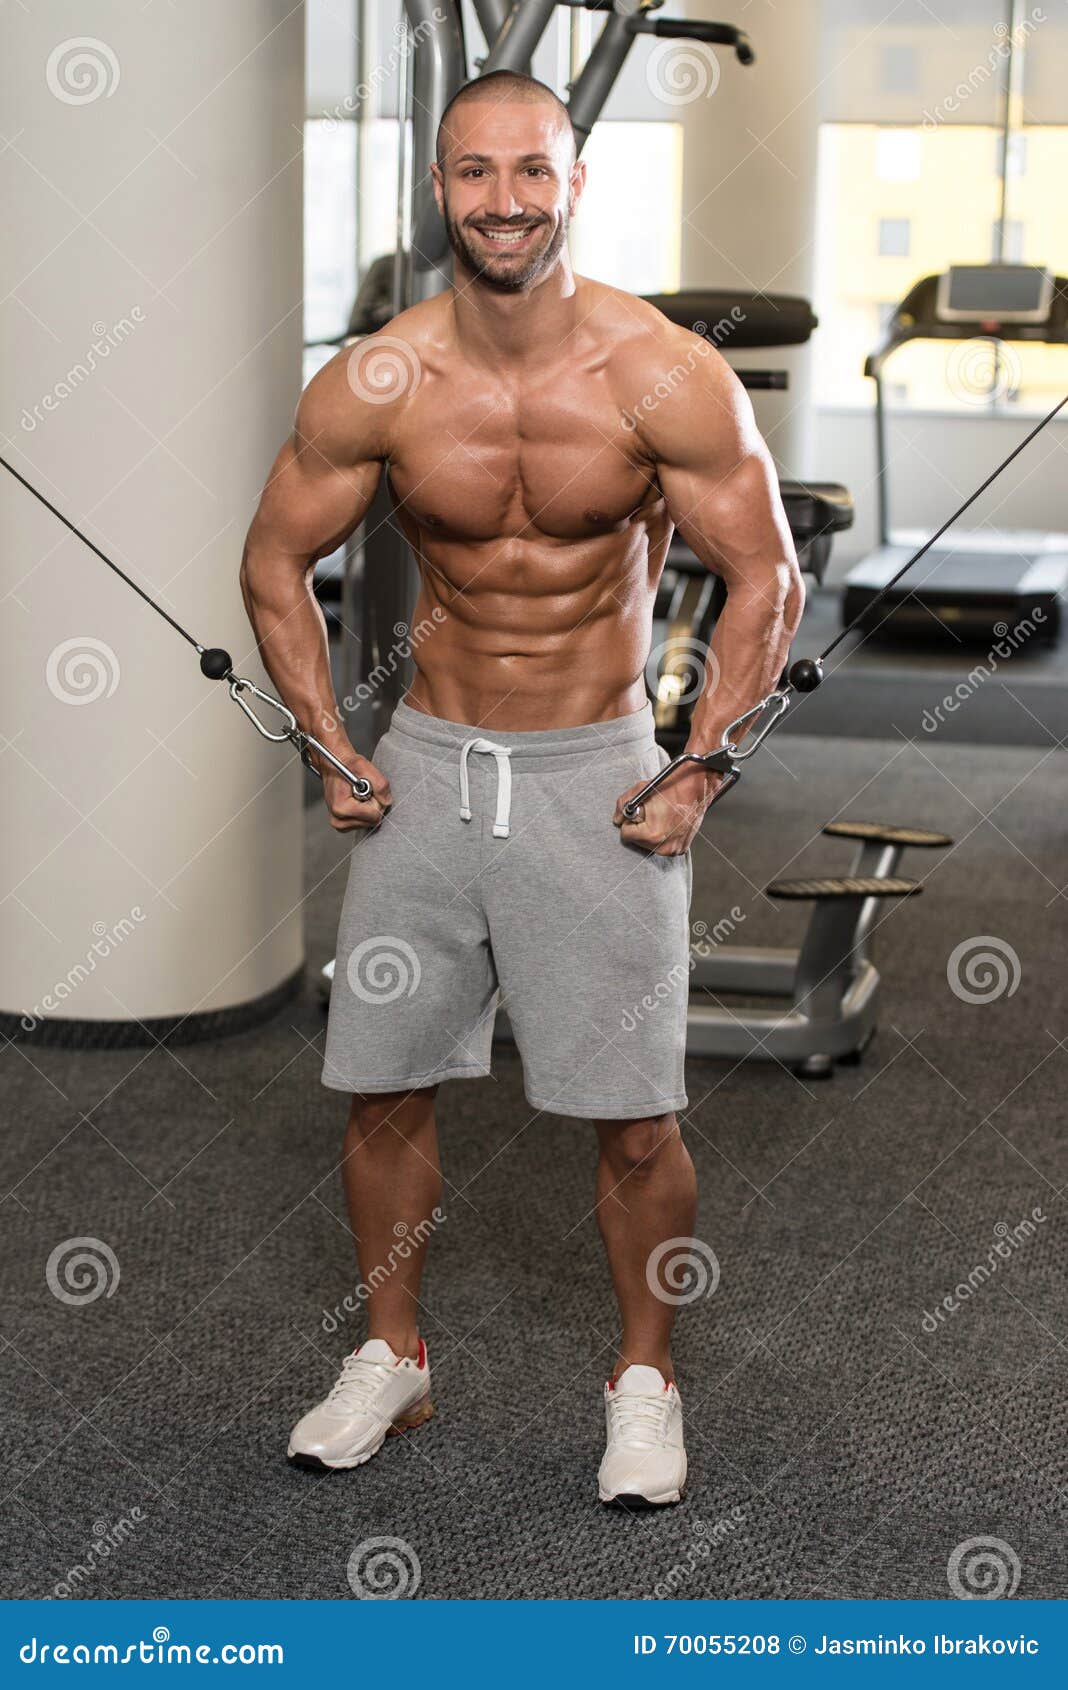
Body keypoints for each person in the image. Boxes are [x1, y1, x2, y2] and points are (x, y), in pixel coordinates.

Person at [240, 70, 804, 1506]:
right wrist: (326, 737)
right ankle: (392, 1352)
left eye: (531, 172)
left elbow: (767, 578)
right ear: (442, 188)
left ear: (576, 181)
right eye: (475, 173)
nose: (504, 199)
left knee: (636, 1115)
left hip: (596, 777)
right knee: (379, 1087)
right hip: (428, 771)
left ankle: (644, 1381)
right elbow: (271, 563)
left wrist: (698, 772)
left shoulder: (661, 370)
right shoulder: (380, 378)